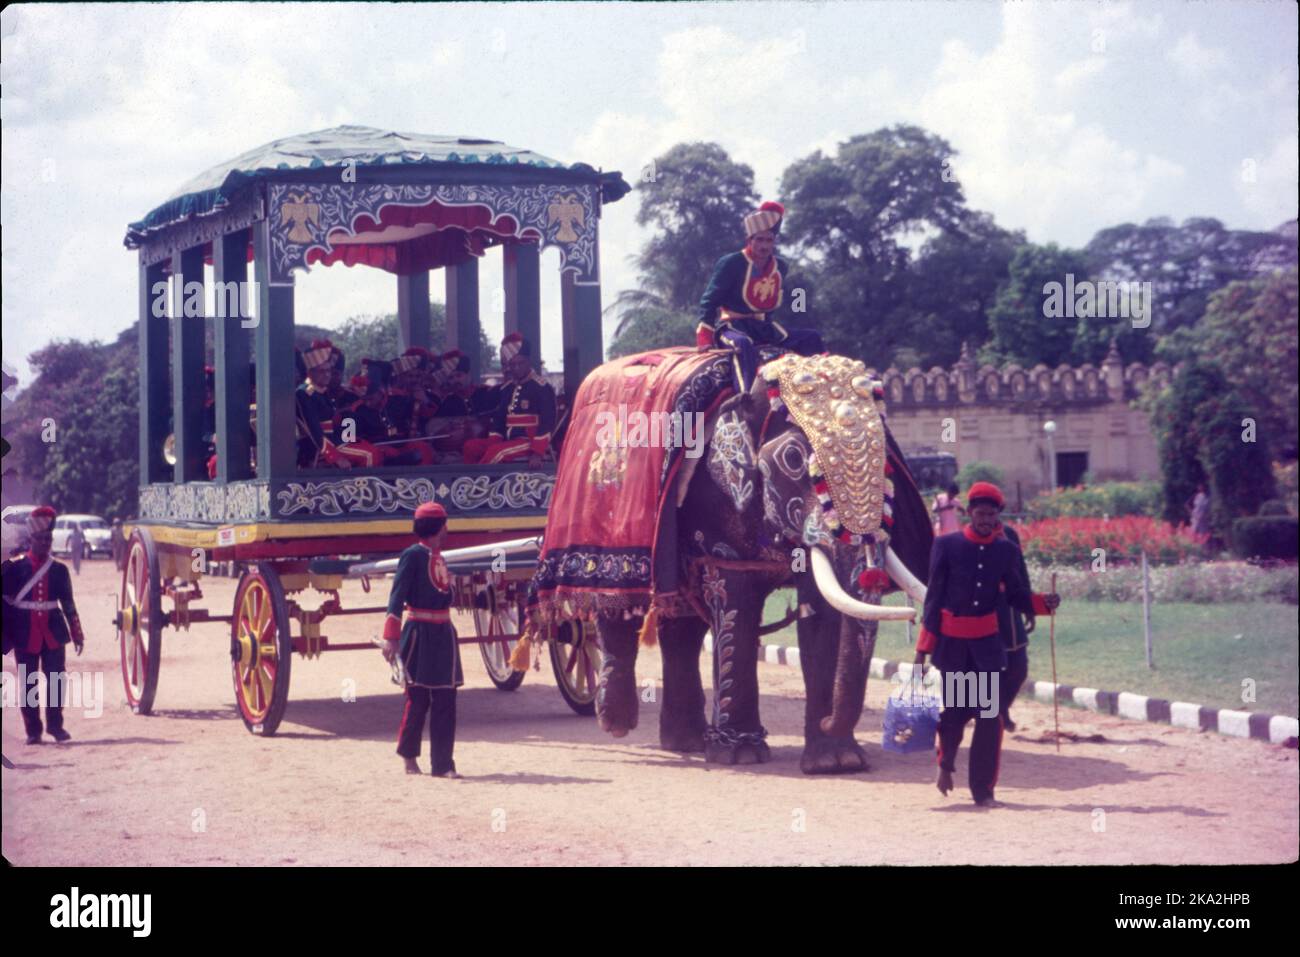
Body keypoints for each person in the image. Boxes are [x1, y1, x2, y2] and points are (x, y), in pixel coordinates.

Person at [913, 481, 1060, 807]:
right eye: (980, 514)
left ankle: (984, 791)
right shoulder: (947, 546)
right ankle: (945, 766)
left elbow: (1018, 595)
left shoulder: (1005, 550)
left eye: (991, 515)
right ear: (969, 513)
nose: (985, 521)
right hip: (953, 649)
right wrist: (922, 651)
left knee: (990, 717)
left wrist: (1043, 604)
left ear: (997, 516)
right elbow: (933, 600)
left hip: (987, 649)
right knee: (954, 715)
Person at [696, 200, 825, 394]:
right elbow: (709, 300)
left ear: (774, 242)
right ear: (750, 240)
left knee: (811, 337)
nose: (764, 245)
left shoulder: (780, 266)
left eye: (769, 240)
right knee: (743, 344)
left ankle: (820, 389)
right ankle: (745, 397)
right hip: (732, 327)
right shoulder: (731, 263)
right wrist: (705, 336)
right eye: (759, 240)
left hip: (765, 327)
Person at [380, 502, 463, 777]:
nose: (447, 529)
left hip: (443, 635)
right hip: (418, 634)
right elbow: (397, 595)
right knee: (418, 701)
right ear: (436, 527)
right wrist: (391, 638)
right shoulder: (411, 556)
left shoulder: (440, 556)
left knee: (446, 700)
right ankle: (408, 757)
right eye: (445, 524)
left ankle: (443, 765)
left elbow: (444, 595)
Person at [2, 506, 86, 744]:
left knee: (57, 681)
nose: (46, 543)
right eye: (41, 538)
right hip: (24, 632)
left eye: (48, 538)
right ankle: (33, 731)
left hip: (53, 632)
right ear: (31, 539)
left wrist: (77, 634)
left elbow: (68, 604)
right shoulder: (15, 568)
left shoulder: (60, 570)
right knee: (28, 684)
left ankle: (56, 727)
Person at [462, 334, 556, 466]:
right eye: (512, 365)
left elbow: (548, 422)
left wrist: (537, 452)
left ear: (528, 361)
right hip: (507, 440)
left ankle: (481, 485)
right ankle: (466, 483)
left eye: (520, 363)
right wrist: (493, 439)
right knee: (471, 446)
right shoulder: (507, 388)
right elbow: (500, 418)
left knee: (496, 452)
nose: (516, 368)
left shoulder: (541, 387)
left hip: (530, 442)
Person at [996, 521, 1033, 732]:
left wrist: (1029, 606)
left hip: (1011, 610)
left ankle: (1002, 708)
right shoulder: (966, 540)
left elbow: (1021, 569)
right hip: (983, 614)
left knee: (1019, 668)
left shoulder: (1010, 534)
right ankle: (995, 714)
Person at [295, 343, 348, 469]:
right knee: (371, 455)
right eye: (322, 371)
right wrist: (335, 457)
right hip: (317, 451)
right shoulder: (304, 393)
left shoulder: (321, 391)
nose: (327, 374)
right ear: (310, 373)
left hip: (337, 441)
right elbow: (314, 430)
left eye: (329, 370)